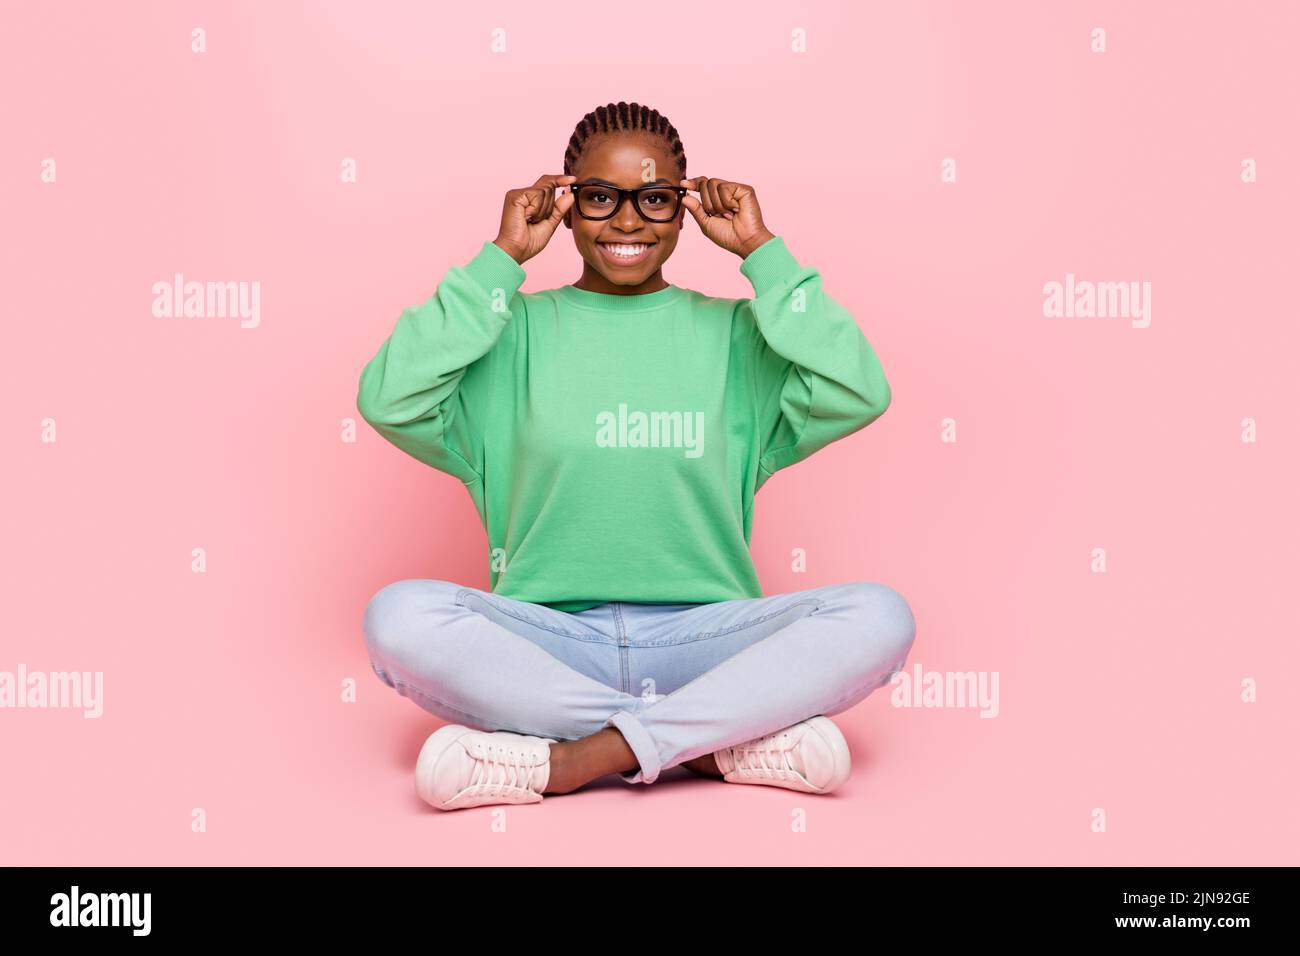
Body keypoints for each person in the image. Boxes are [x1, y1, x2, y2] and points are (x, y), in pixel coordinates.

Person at [357, 101, 916, 811]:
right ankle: (713, 745)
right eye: (600, 198)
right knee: (398, 617)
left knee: (881, 616)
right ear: (566, 206)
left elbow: (859, 388)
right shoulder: (507, 333)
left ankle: (574, 761)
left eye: (653, 198)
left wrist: (762, 252)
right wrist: (498, 263)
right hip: (548, 640)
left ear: (685, 210)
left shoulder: (740, 336)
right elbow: (388, 398)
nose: (627, 222)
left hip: (709, 641)